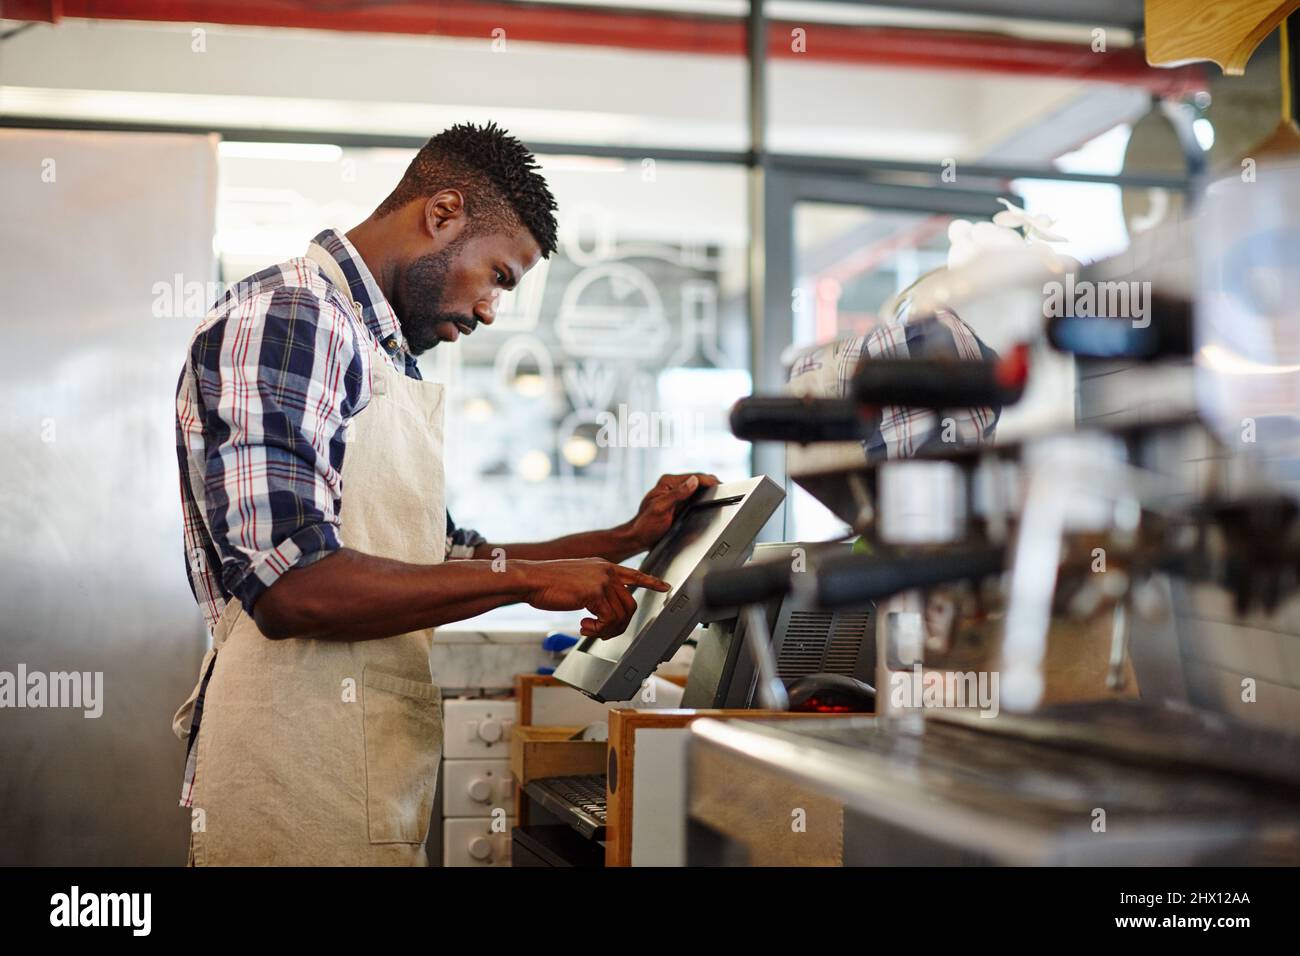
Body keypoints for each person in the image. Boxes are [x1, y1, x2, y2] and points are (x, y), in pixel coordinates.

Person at [172, 122, 717, 865]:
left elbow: (450, 553)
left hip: (354, 767)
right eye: (499, 275)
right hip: (289, 766)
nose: (492, 310)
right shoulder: (295, 317)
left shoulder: (377, 348)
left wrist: (622, 537)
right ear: (442, 214)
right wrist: (529, 581)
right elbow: (292, 584)